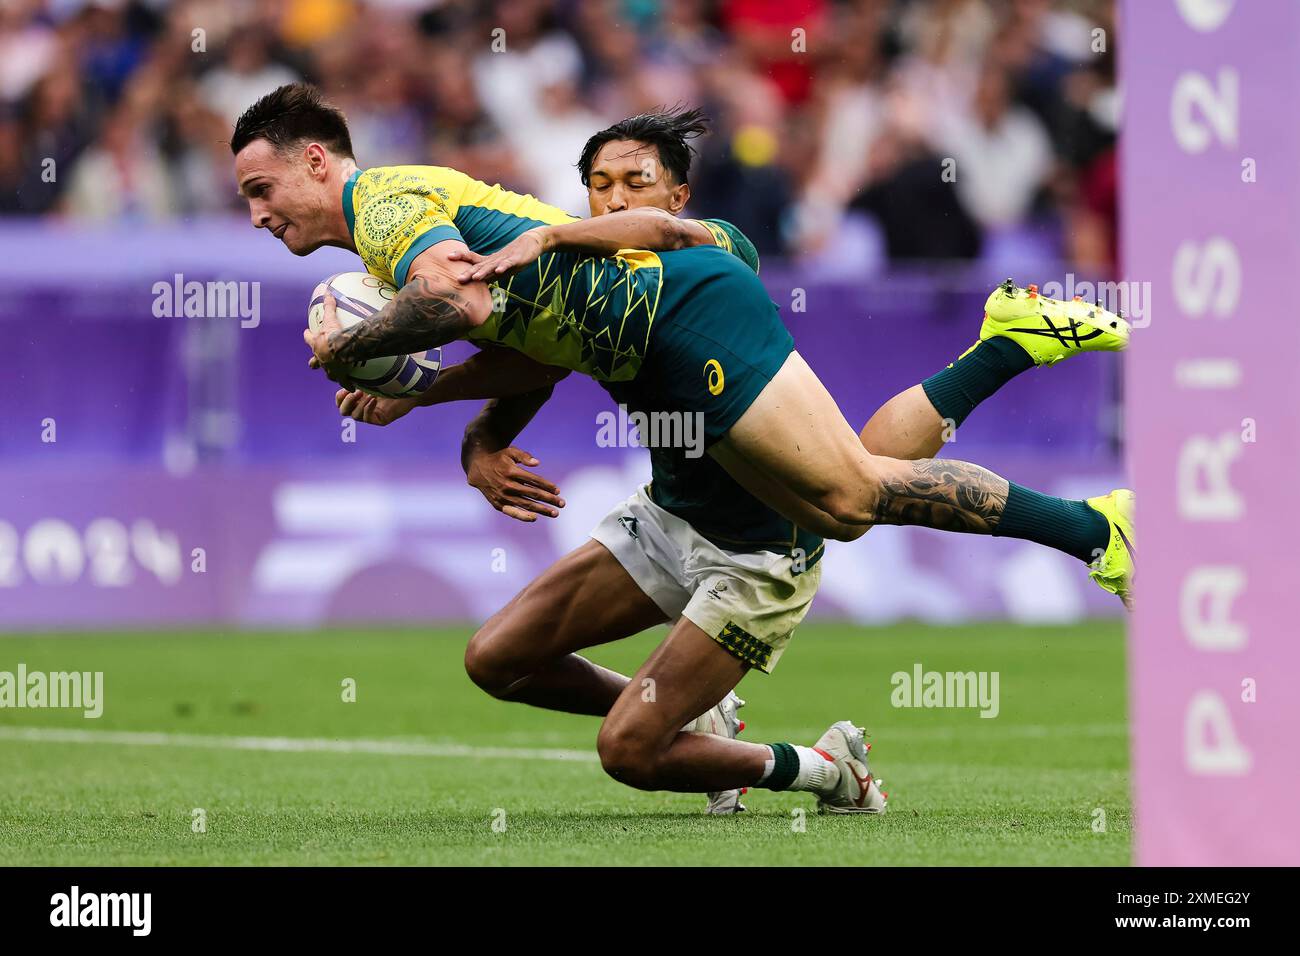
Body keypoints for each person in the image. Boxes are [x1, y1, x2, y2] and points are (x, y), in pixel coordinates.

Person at [234, 83, 1134, 811]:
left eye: (261, 190)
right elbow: (529, 352)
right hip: (673, 502)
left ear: (316, 160)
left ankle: (1093, 531)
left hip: (717, 417)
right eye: (601, 185)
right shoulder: (561, 259)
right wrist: (447, 403)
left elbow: (470, 301)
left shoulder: (407, 212)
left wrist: (354, 344)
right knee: (498, 659)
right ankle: (1011, 345)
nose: (615, 199)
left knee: (851, 499)